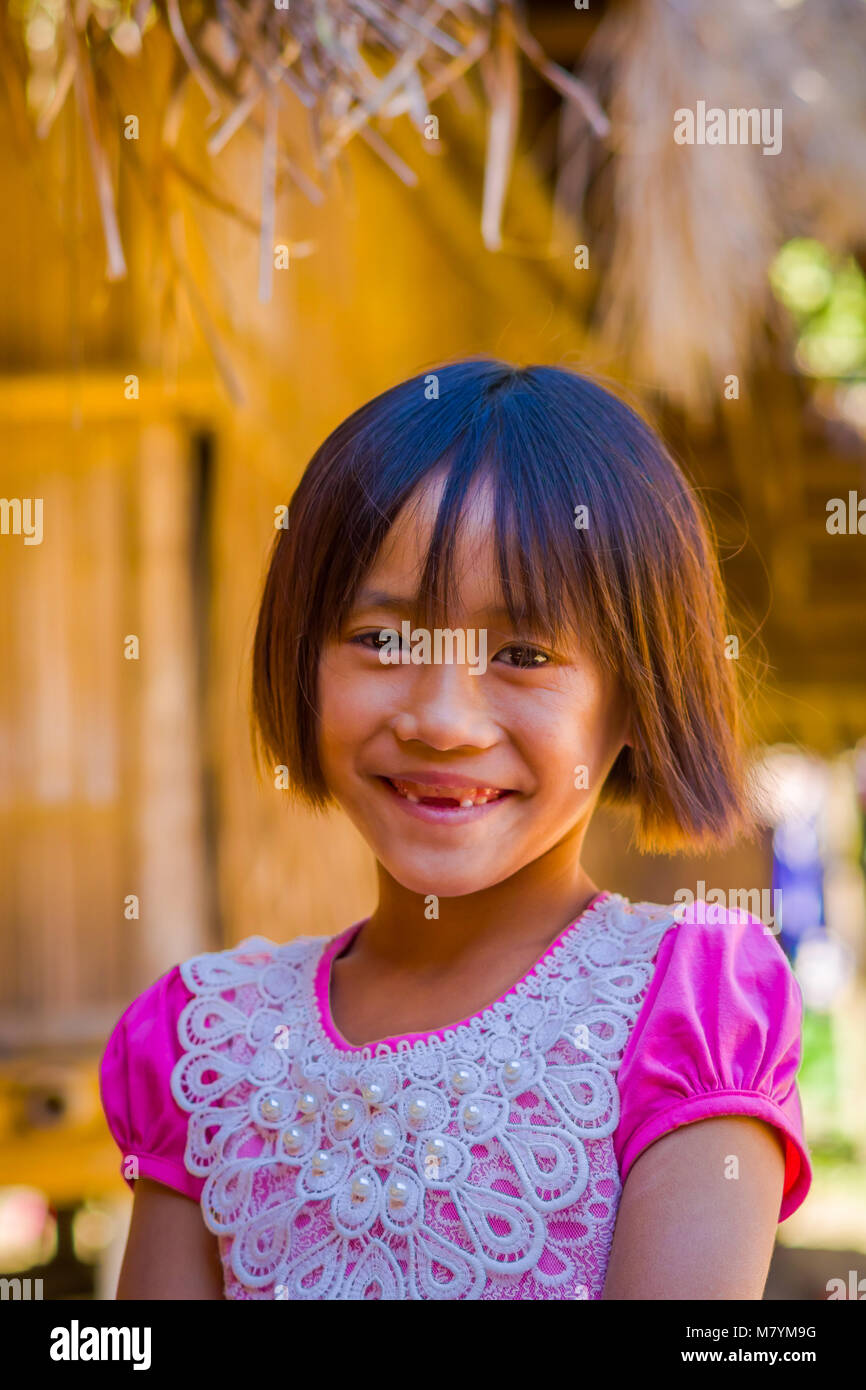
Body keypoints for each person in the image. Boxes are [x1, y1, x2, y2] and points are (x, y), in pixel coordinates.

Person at [101, 358, 811, 1300]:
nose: (441, 719)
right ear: (299, 655)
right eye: (383, 640)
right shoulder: (201, 1043)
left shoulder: (689, 1014)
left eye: (523, 653)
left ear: (640, 691)